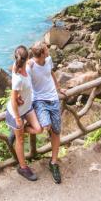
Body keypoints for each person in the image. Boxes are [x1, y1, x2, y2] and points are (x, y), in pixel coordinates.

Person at [28, 41, 64, 184]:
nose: (49, 50)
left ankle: (53, 162)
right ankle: (20, 129)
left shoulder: (48, 60)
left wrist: (59, 87)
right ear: (42, 53)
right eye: (46, 49)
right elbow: (18, 72)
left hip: (53, 99)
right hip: (39, 100)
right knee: (45, 126)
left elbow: (51, 73)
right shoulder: (30, 65)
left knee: (56, 131)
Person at [6, 45, 43, 181]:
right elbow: (13, 99)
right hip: (16, 112)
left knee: (38, 129)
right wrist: (17, 119)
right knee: (20, 140)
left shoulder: (25, 66)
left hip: (27, 107)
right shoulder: (17, 78)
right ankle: (23, 168)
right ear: (25, 57)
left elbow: (29, 62)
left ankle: (15, 132)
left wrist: (37, 59)